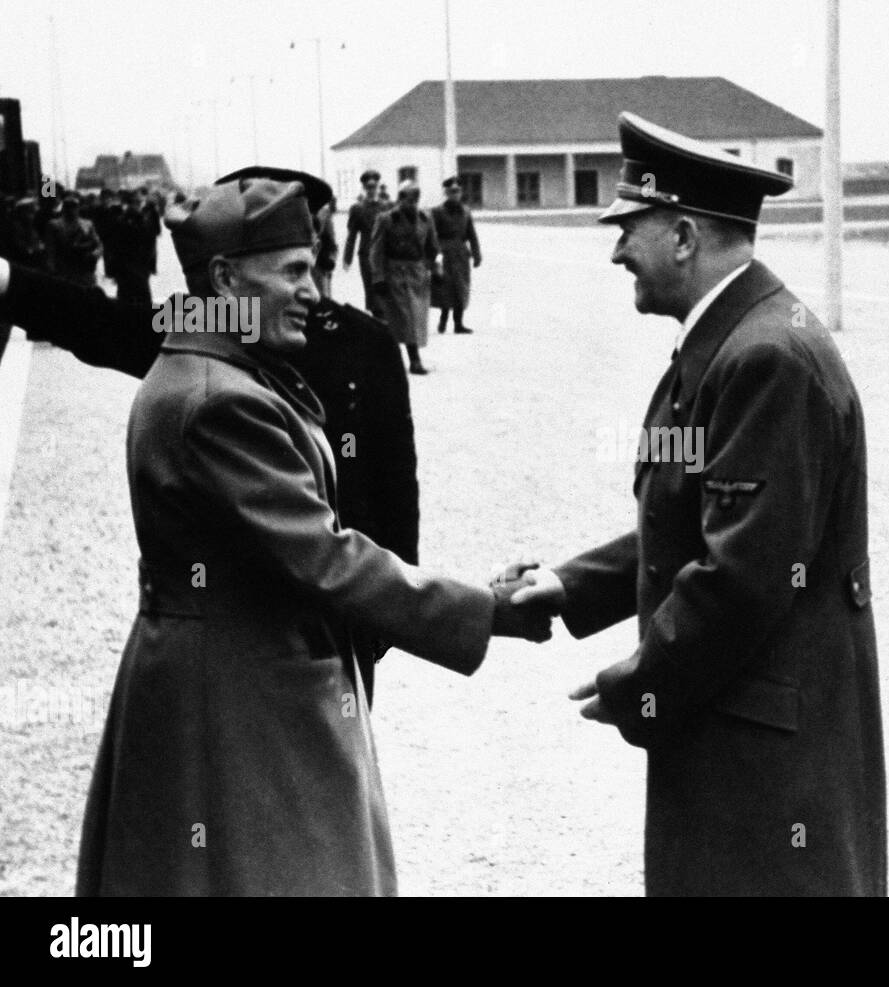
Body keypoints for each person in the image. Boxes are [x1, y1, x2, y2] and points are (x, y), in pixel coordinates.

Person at [0, 174, 552, 895]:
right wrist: (485, 609)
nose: (315, 290)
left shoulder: (228, 368)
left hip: (242, 679)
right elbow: (323, 556)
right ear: (226, 279)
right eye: (293, 270)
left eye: (314, 267)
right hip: (237, 698)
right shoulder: (221, 400)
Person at [507, 113, 887, 897]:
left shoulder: (765, 359)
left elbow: (742, 574)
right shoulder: (728, 341)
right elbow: (690, 515)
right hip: (742, 727)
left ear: (683, 236)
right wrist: (572, 584)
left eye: (629, 229)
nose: (616, 250)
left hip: (766, 758)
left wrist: (639, 679)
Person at [0, 166, 423, 706]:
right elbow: (103, 323)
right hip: (245, 618)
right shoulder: (212, 326)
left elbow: (396, 481)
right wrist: (12, 281)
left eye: (308, 250)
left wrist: (390, 613)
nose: (307, 280)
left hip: (347, 599)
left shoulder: (366, 341)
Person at [369, 179, 439, 375]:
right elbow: (375, 251)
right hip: (395, 273)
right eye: (410, 198)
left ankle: (397, 358)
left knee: (415, 318)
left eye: (416, 198)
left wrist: (437, 269)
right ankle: (414, 360)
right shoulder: (386, 219)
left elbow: (434, 248)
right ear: (400, 198)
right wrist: (378, 277)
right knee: (405, 317)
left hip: (418, 273)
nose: (414, 203)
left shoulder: (426, 218)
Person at [430, 175, 481, 334]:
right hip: (443, 252)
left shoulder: (466, 211)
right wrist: (435, 257)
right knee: (445, 287)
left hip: (461, 254)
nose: (455, 194)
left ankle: (458, 324)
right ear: (446, 192)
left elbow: (472, 234)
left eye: (457, 191)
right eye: (451, 191)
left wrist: (477, 253)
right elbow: (432, 235)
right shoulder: (437, 212)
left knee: (461, 288)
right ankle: (443, 320)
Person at [343, 170, 385, 311]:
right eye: (369, 187)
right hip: (366, 255)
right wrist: (347, 259)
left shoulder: (387, 207)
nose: (372, 190)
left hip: (385, 254)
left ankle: (386, 322)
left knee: (385, 289)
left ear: (378, 187)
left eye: (374, 187)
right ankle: (378, 322)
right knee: (371, 289)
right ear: (364, 188)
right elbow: (351, 236)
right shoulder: (357, 209)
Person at [43, 193, 102, 287]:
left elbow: (98, 244)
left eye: (74, 207)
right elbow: (50, 247)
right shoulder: (55, 225)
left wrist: (95, 255)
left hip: (85, 266)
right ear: (64, 208)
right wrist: (51, 266)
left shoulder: (87, 224)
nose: (72, 210)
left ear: (78, 208)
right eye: (68, 207)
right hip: (65, 266)